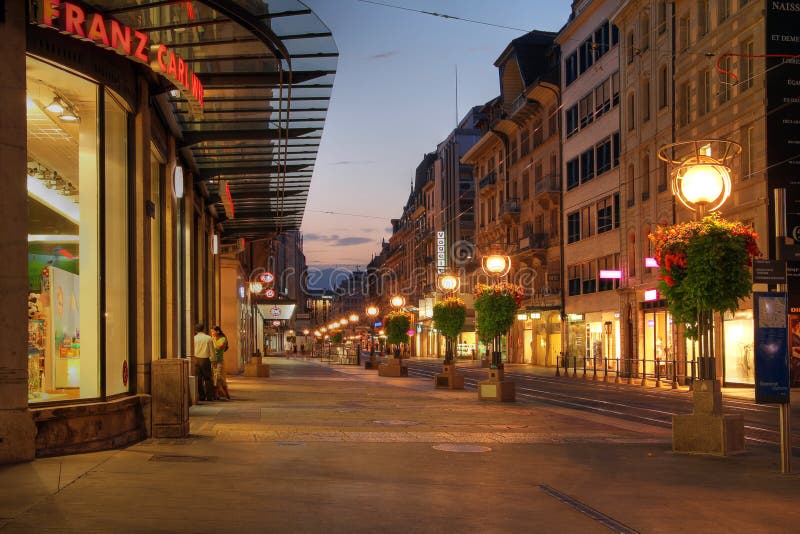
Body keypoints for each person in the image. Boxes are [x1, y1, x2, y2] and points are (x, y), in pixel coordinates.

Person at [193, 323, 215, 401]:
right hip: (205, 360)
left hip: (196, 360)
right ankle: (209, 396)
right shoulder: (209, 338)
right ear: (204, 329)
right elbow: (212, 351)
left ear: (195, 330)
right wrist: (214, 360)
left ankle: (201, 396)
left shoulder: (194, 338)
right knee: (208, 378)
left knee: (199, 379)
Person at [211, 325, 231, 400]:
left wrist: (214, 340)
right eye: (211, 332)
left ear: (218, 331)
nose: (212, 333)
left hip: (219, 360)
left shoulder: (223, 338)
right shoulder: (212, 339)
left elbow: (219, 346)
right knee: (215, 378)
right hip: (211, 360)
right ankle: (217, 394)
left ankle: (225, 392)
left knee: (218, 376)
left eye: (213, 331)